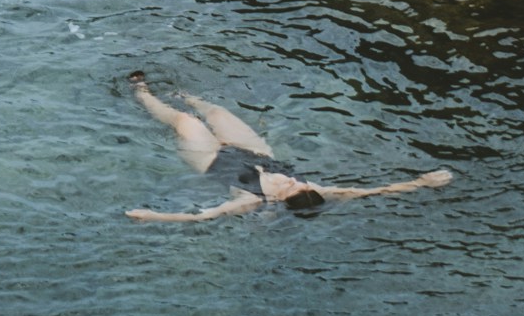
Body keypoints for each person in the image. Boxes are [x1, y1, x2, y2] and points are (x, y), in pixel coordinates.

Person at [125, 73, 454, 224]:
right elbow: (368, 191)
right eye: (301, 183)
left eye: (291, 186)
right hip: (253, 151)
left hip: (210, 160)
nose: (296, 180)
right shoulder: (312, 189)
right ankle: (185, 92)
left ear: (279, 199)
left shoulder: (249, 201)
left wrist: (151, 216)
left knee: (186, 122)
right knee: (216, 113)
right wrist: (420, 183)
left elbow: (201, 216)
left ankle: (142, 94)